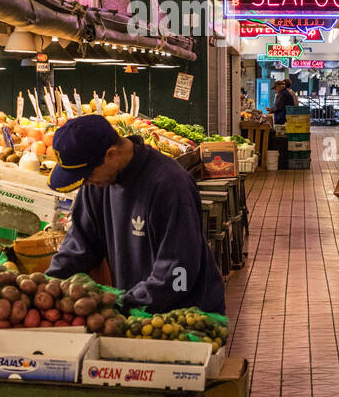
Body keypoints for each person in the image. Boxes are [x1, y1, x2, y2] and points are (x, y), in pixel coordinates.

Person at [45, 114, 225, 314]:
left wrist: (124, 304)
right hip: (139, 308)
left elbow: (179, 272)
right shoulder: (97, 183)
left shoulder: (170, 185)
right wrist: (46, 285)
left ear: (111, 154)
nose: (85, 183)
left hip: (188, 315)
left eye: (87, 175)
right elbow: (80, 244)